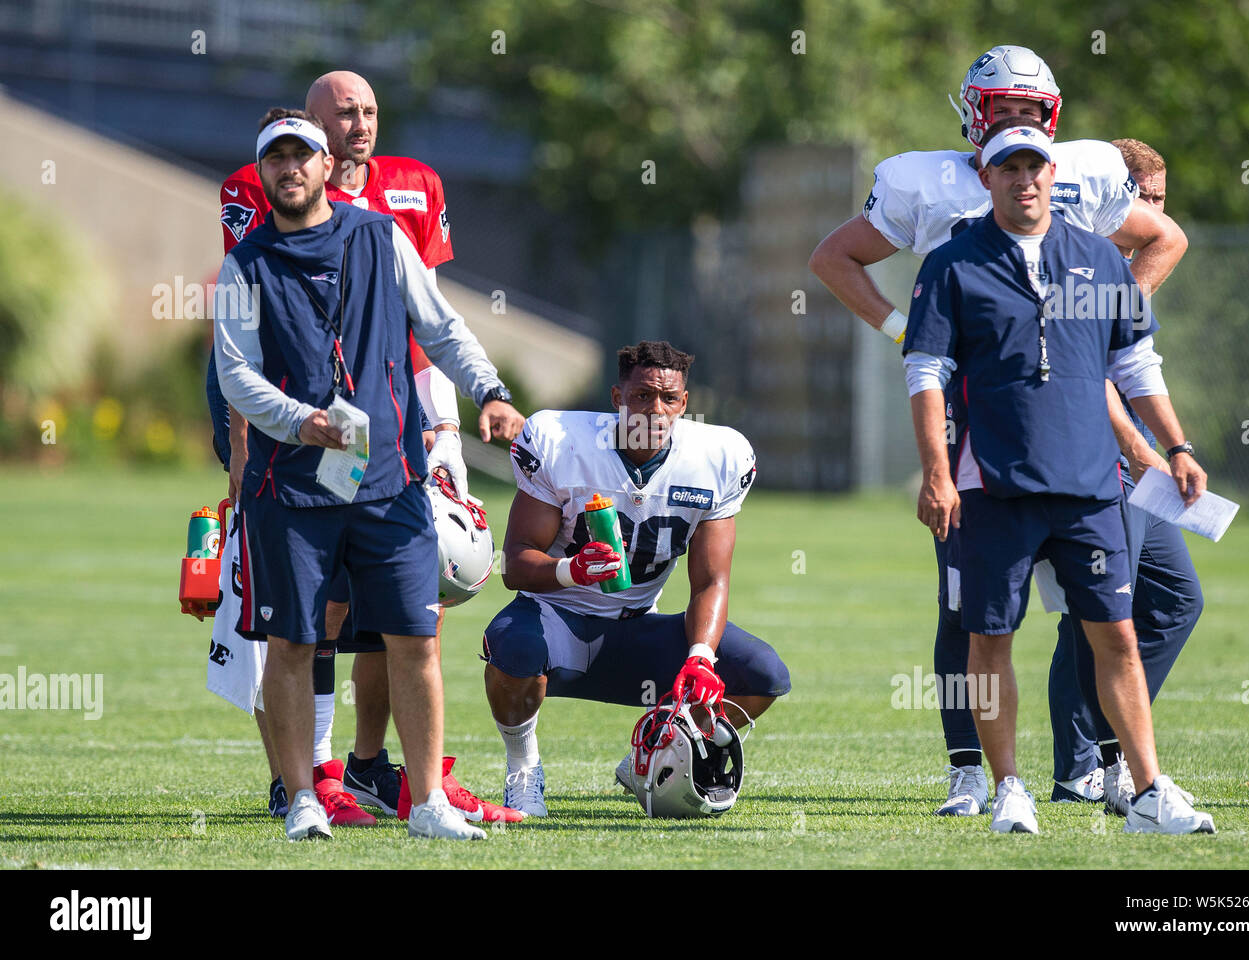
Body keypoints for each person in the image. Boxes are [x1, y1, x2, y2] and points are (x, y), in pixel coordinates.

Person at [808, 44, 1188, 816]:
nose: (1017, 133)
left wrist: (1098, 327)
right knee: (973, 609)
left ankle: (1113, 771)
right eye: (1003, 113)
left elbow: (1164, 238)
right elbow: (834, 257)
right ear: (976, 122)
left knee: (1121, 606)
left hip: (1079, 416)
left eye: (1029, 114)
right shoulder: (932, 185)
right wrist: (903, 332)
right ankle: (973, 771)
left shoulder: (1078, 174)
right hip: (977, 422)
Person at [207, 71, 521, 825]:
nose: (288, 170)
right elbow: (233, 374)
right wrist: (297, 421)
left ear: (324, 167)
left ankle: (427, 801)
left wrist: (492, 391)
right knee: (293, 639)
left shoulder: (381, 237)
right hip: (294, 482)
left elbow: (442, 326)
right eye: (274, 160)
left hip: (390, 476)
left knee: (415, 637)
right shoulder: (244, 266)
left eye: (299, 157)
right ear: (264, 174)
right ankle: (304, 797)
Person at [902, 122, 1214, 834]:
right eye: (1008, 168)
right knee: (990, 639)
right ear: (987, 178)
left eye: (1035, 165)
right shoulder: (952, 263)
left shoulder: (1099, 260)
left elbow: (1134, 363)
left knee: (1117, 637)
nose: (1025, 179)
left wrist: (1178, 444)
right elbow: (925, 371)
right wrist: (937, 474)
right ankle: (1009, 787)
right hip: (994, 485)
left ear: (1052, 172)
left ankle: (1147, 791)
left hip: (1090, 485)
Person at [480, 340, 790, 816]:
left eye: (669, 399)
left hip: (638, 627)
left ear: (684, 404)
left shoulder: (717, 457)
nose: (655, 410)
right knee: (511, 648)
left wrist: (702, 657)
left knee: (761, 675)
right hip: (557, 622)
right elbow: (516, 563)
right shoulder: (562, 443)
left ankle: (653, 754)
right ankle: (523, 770)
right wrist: (572, 569)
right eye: (643, 396)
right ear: (617, 397)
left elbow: (710, 581)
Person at [1046, 137, 1204, 814]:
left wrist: (1169, 445)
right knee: (1098, 611)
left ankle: (1116, 746)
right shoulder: (1075, 261)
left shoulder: (1115, 273)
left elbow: (1132, 360)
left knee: (1174, 598)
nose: (1157, 218)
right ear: (1119, 198)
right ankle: (1085, 768)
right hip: (1102, 456)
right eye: (1149, 199)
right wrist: (1138, 451)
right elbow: (1093, 372)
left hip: (1138, 453)